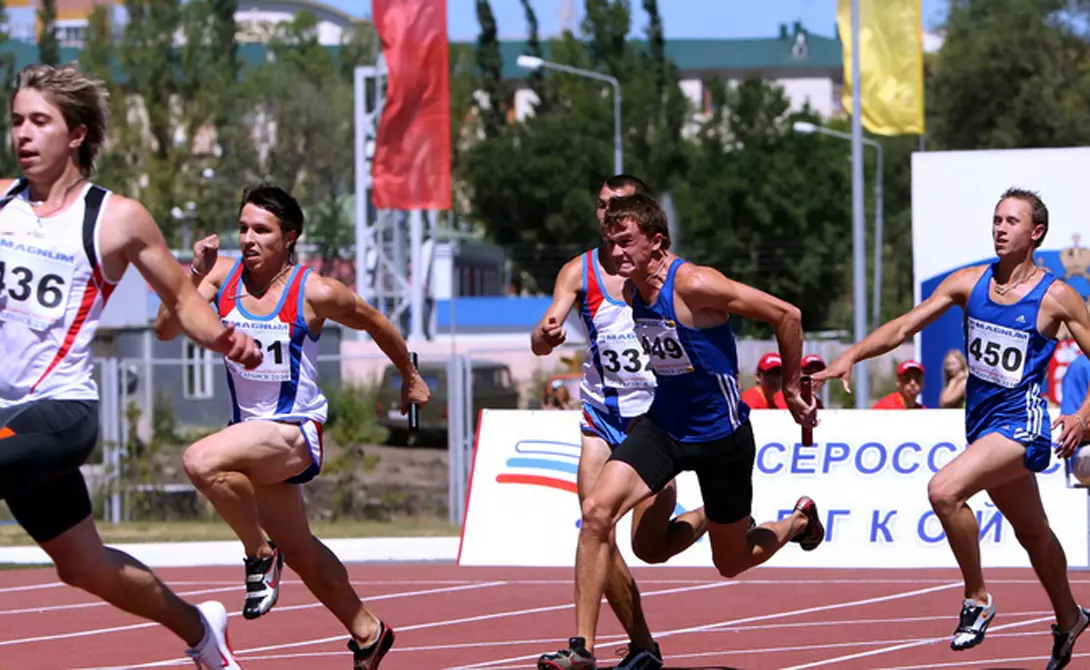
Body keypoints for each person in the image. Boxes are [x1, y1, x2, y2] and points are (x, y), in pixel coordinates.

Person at [0, 63, 261, 668]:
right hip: (9, 416)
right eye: (17, 121)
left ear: (78, 134)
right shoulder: (3, 205)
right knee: (82, 566)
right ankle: (199, 628)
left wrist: (225, 340)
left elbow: (180, 298)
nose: (23, 134)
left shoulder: (115, 218)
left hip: (61, 410)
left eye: (40, 121)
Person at [538, 192, 822, 670]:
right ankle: (581, 649)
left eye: (626, 243)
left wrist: (792, 388)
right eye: (610, 243)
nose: (616, 253)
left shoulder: (694, 283)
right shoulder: (631, 293)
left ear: (657, 243)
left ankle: (797, 520)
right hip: (664, 426)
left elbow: (787, 315)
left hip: (721, 439)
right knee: (596, 512)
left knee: (730, 563)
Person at [153, 184, 429, 669]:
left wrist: (409, 374)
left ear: (289, 237)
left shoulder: (315, 291)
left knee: (200, 459)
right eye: (243, 228)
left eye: (262, 230)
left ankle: (259, 554)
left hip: (293, 432)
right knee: (301, 549)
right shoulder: (221, 275)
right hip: (250, 436)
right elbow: (165, 328)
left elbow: (374, 320)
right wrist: (193, 272)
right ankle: (368, 631)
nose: (249, 239)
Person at [814, 187, 1090, 669]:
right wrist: (852, 354)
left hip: (1023, 425)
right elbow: (904, 328)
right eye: (996, 219)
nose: (1000, 228)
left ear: (1036, 233)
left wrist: (1082, 416)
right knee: (1033, 532)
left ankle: (977, 597)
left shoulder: (1057, 296)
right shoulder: (969, 283)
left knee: (943, 491)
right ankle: (1069, 617)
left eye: (1011, 221)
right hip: (983, 427)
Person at [532, 175, 709, 670]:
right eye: (601, 206)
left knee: (649, 547)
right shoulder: (579, 271)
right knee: (595, 521)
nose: (607, 215)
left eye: (619, 207)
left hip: (655, 420)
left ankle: (714, 519)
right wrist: (545, 336)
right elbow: (545, 333)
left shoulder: (663, 275)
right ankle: (602, 646)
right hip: (602, 417)